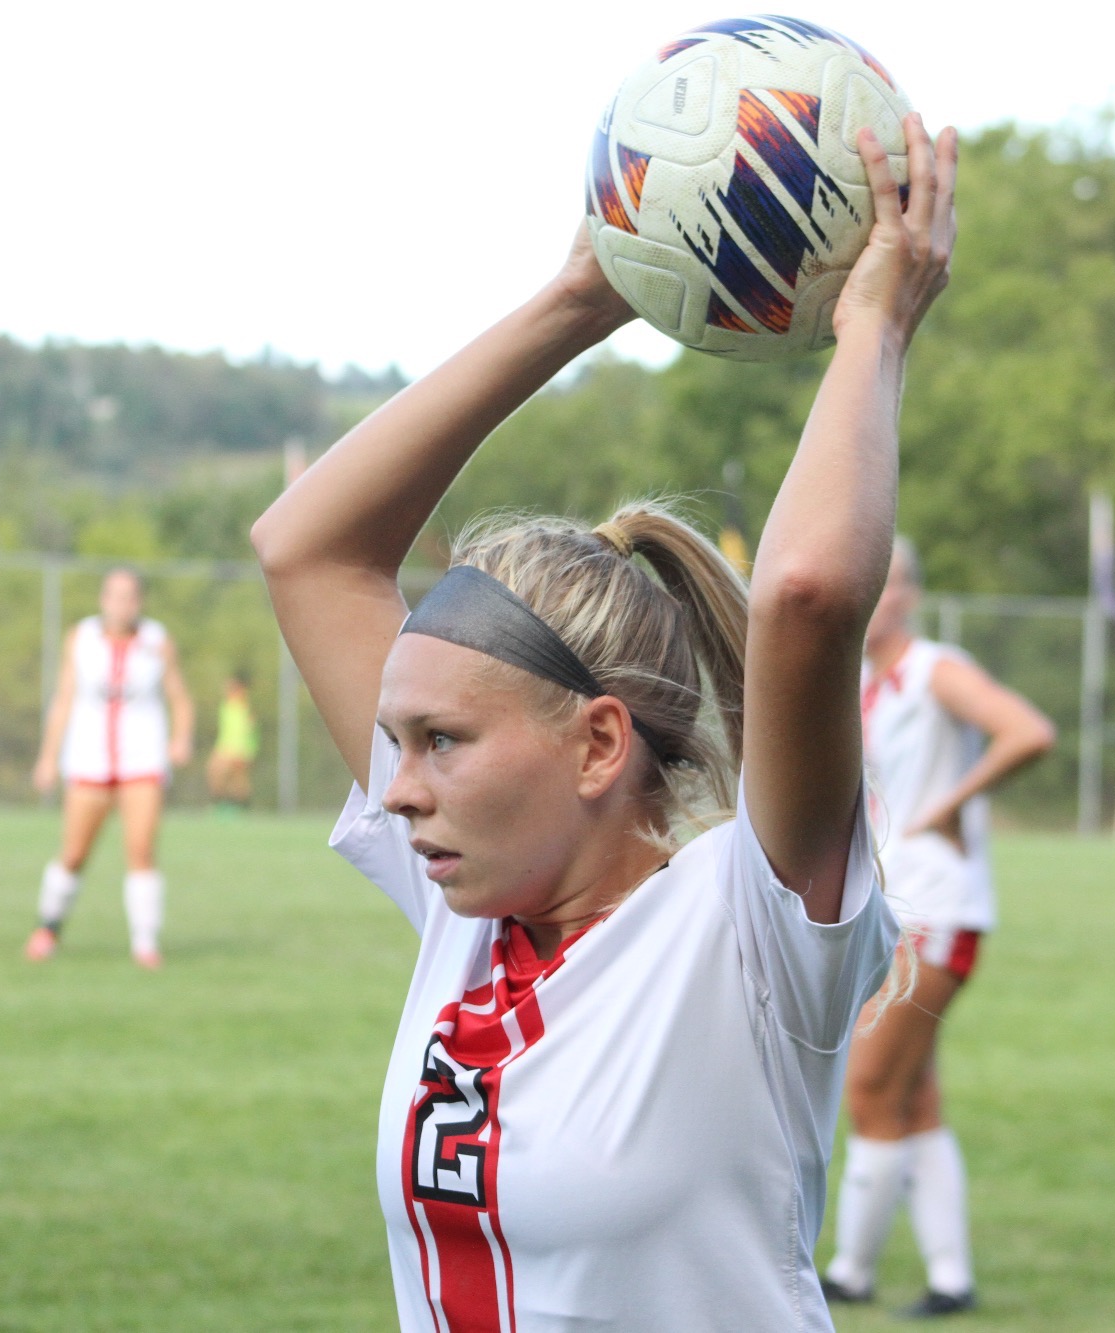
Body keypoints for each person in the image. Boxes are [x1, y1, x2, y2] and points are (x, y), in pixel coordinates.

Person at [251, 116, 957, 1330]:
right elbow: (304, 550)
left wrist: (872, 331)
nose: (396, 786)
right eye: (401, 741)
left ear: (596, 743)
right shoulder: (467, 922)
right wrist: (585, 294)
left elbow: (802, 596)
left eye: (441, 742)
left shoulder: (745, 929)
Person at [820, 538, 1057, 1317]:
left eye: (886, 585)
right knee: (914, 1095)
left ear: (910, 595)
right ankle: (951, 1278)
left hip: (940, 908)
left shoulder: (932, 670)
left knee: (868, 1082)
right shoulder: (859, 682)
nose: (873, 598)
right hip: (892, 907)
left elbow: (1027, 730)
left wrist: (952, 805)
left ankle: (851, 1270)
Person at [27, 567, 195, 968]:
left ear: (141, 600)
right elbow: (64, 698)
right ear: (103, 599)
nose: (122, 604)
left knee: (141, 852)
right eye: (115, 595)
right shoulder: (80, 638)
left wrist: (181, 737)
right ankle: (48, 927)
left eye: (130, 596)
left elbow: (180, 698)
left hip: (142, 760)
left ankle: (145, 943)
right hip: (88, 759)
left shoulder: (157, 640)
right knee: (73, 853)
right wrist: (48, 757)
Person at [207, 672, 260, 814]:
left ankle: (239, 808)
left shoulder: (244, 706)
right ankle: (223, 805)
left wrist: (247, 751)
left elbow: (250, 730)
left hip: (240, 748)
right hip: (224, 746)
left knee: (238, 782)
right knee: (216, 774)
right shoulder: (226, 705)